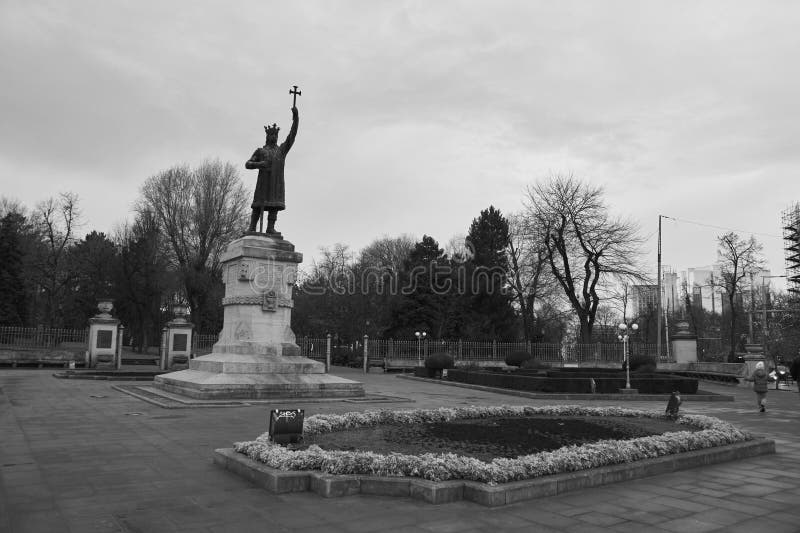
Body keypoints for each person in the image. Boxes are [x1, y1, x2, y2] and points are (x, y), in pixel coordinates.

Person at [245, 105, 299, 234]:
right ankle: (252, 227)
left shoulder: (281, 151)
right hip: (263, 183)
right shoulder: (261, 151)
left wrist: (296, 118)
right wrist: (259, 164)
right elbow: (248, 164)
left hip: (276, 184)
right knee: (258, 205)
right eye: (272, 135)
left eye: (275, 135)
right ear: (267, 137)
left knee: (274, 205)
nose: (274, 137)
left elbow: (292, 136)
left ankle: (270, 227)